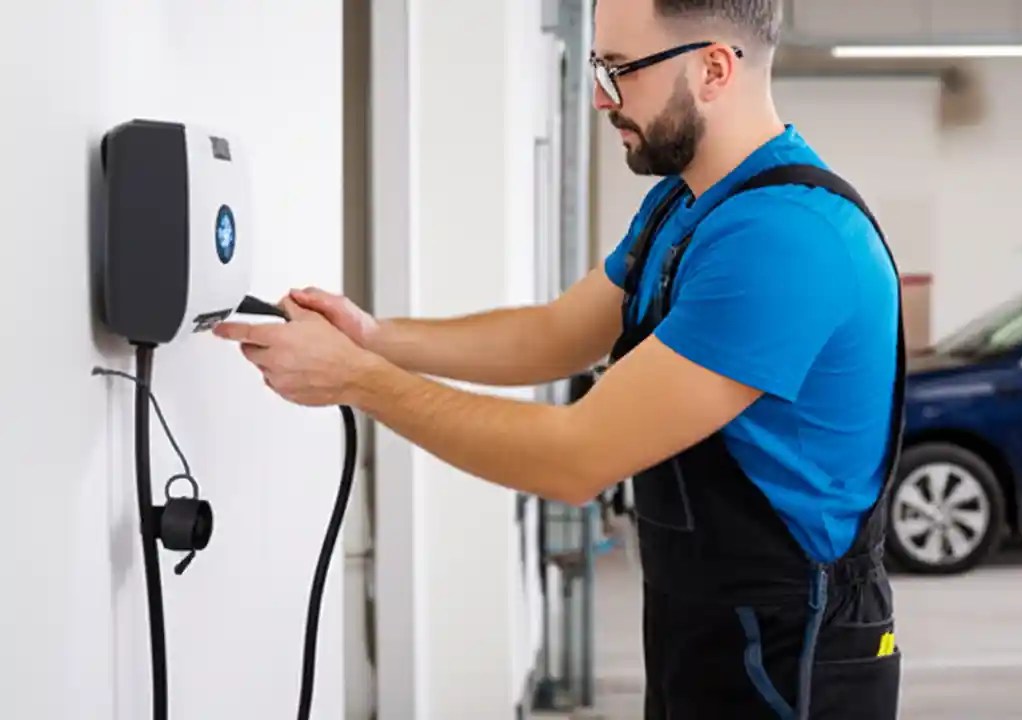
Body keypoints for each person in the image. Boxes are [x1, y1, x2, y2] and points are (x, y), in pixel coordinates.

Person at [213, 0, 905, 716]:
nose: (602, 96)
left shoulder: (787, 239)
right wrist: (374, 337)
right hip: (705, 626)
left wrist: (358, 381)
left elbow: (576, 459)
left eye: (621, 70)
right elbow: (553, 334)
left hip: (799, 654)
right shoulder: (686, 203)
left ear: (713, 68)